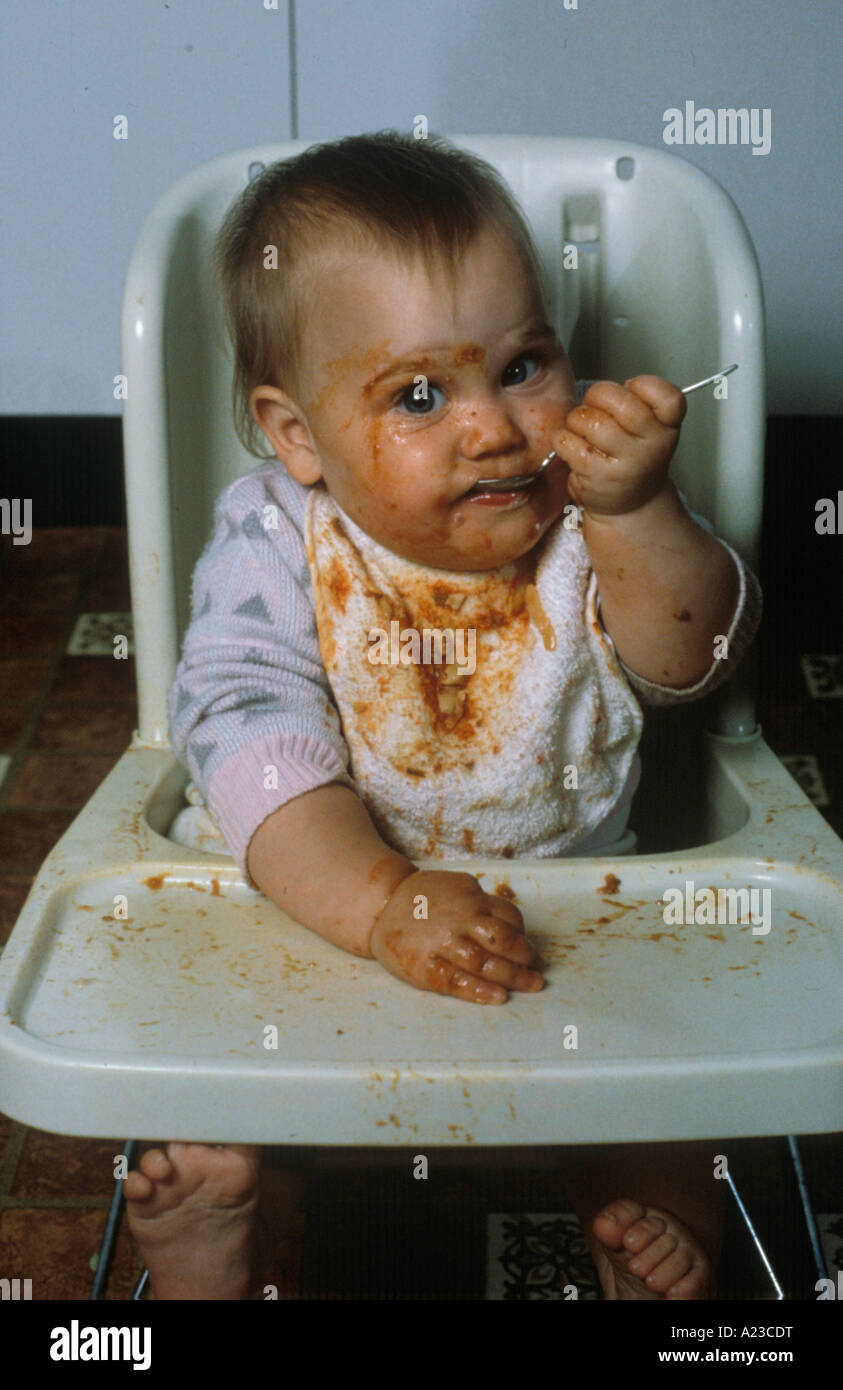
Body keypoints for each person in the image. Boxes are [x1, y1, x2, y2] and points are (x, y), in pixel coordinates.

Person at [124, 131, 761, 1300]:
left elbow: (694, 659)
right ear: (299, 436)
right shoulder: (279, 537)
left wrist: (639, 512)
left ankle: (648, 1245)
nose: (495, 428)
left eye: (522, 365)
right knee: (222, 1088)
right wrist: (382, 903)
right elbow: (244, 732)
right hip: (312, 916)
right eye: (420, 395)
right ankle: (218, 1242)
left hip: (569, 925)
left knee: (673, 1109)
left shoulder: (589, 510)